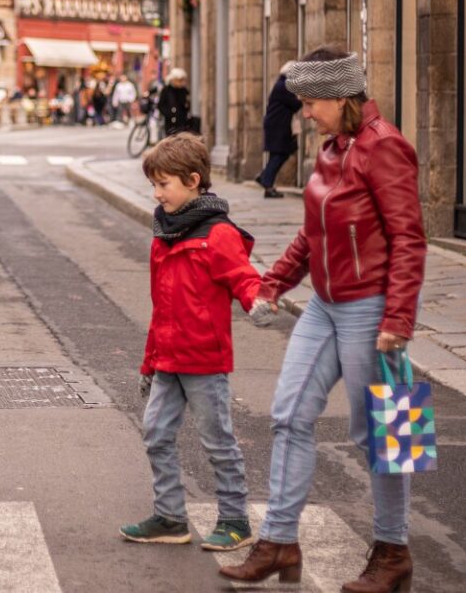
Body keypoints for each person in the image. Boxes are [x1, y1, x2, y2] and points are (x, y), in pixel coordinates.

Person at [220, 47, 427, 593]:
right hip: (324, 305)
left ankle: (393, 553)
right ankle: (278, 542)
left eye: (311, 102)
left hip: (371, 307)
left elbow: (408, 238)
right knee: (288, 415)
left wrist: (398, 317)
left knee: (382, 432)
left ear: (341, 96)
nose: (305, 113)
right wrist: (272, 283)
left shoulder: (385, 147)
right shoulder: (332, 150)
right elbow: (312, 235)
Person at [121, 132, 261, 553]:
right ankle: (170, 517)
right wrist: (149, 363)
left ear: (193, 181)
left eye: (163, 184)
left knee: (218, 442)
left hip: (204, 361)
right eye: (154, 184)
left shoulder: (218, 234)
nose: (156, 193)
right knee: (155, 434)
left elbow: (244, 277)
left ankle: (235, 520)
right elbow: (161, 307)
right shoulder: (164, 232)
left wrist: (259, 301)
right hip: (167, 359)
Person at [257, 62, 301, 199]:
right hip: (278, 126)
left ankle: (265, 178)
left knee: (277, 155)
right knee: (279, 155)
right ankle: (267, 184)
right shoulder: (284, 86)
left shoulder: (282, 84)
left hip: (276, 125)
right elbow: (295, 104)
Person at [157, 68, 201, 136]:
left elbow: (186, 105)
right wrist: (169, 114)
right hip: (170, 123)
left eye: (183, 80)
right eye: (180, 80)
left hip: (182, 122)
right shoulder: (166, 90)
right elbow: (161, 105)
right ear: (173, 80)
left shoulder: (184, 90)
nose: (182, 82)